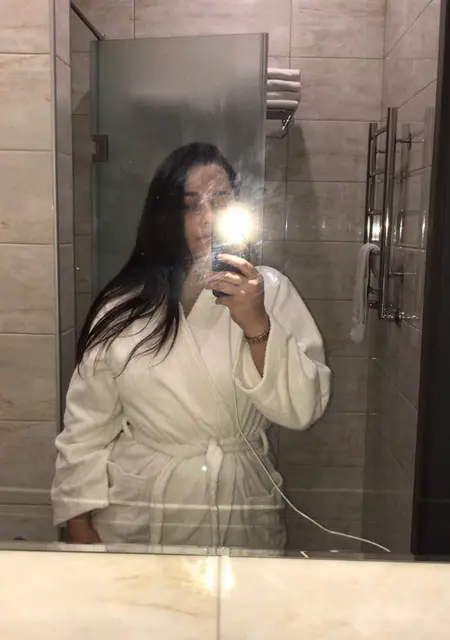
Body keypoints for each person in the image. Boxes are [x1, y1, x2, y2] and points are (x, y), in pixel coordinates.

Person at [52, 142, 331, 550]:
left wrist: (256, 322)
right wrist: (78, 526)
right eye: (189, 205)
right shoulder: (124, 304)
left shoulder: (270, 290)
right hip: (139, 512)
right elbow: (85, 427)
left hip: (238, 508)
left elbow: (301, 410)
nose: (207, 218)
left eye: (220, 201)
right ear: (165, 216)